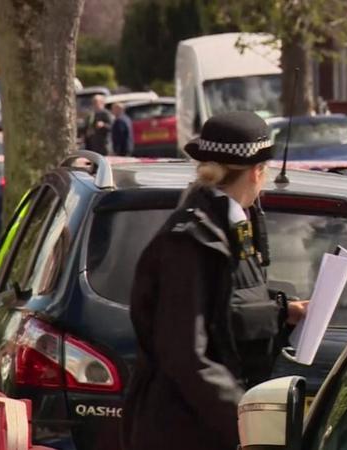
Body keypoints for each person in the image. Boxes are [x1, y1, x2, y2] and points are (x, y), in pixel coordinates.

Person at [122, 111, 309, 450]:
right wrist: (246, 422)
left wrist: (282, 313)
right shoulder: (191, 241)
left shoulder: (230, 225)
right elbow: (186, 356)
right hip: (184, 432)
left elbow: (225, 310)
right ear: (257, 172)